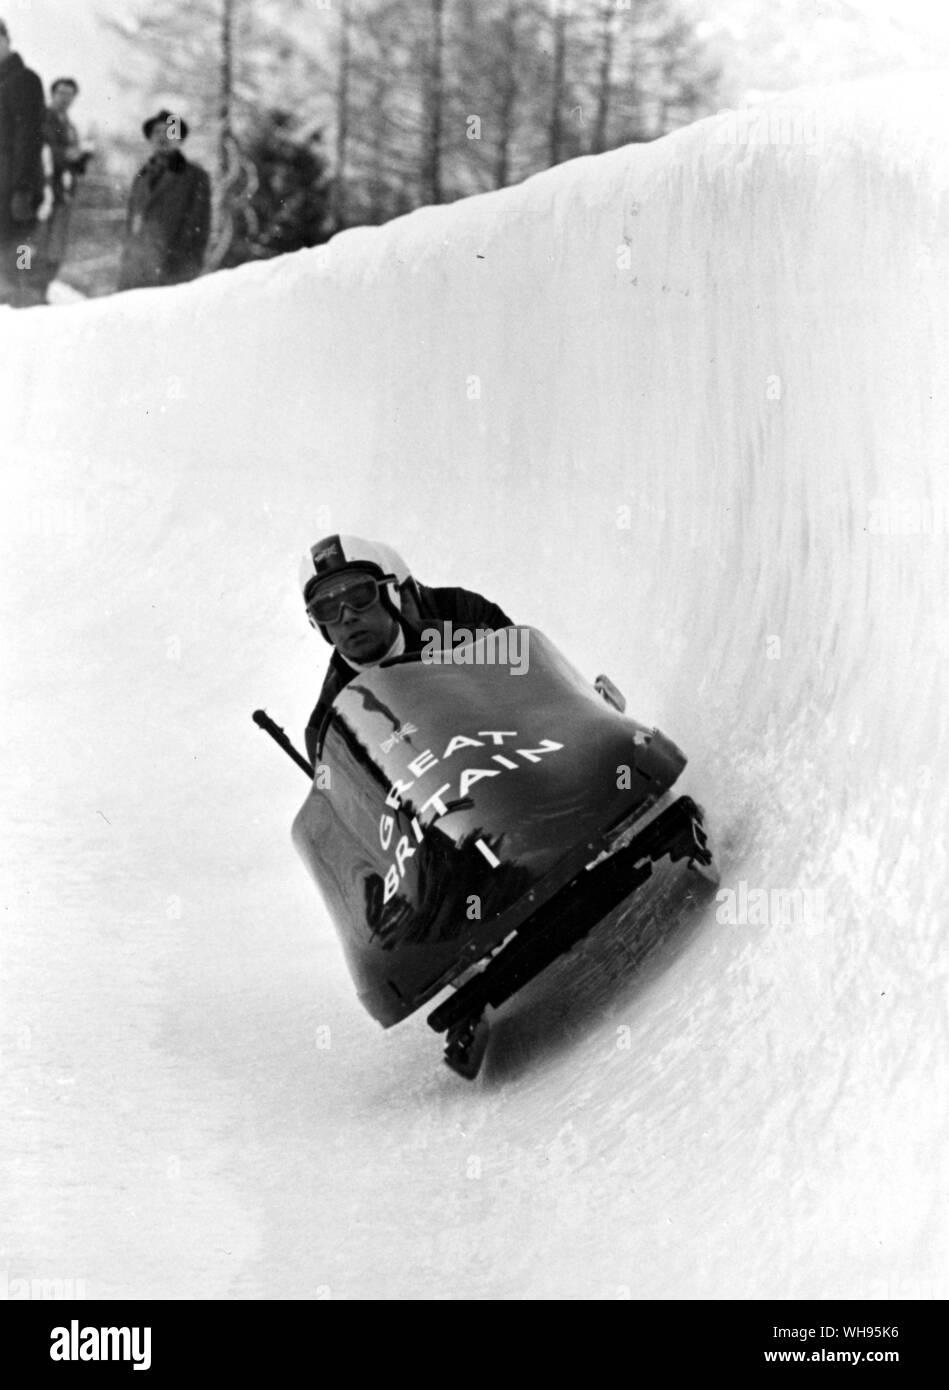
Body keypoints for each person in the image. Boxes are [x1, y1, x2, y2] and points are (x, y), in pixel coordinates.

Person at [301, 534, 513, 764]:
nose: (348, 615)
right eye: (328, 608)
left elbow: (540, 699)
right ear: (317, 624)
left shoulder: (471, 643)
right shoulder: (326, 726)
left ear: (389, 594)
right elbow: (339, 792)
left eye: (360, 595)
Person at [117, 109, 211, 291]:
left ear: (180, 139)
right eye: (157, 132)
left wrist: (185, 268)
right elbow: (131, 227)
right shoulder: (141, 176)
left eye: (170, 131)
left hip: (173, 270)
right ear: (150, 138)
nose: (163, 137)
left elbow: (199, 228)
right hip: (135, 271)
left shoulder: (194, 176)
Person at [0, 18, 45, 308]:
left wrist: (24, 188)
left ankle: (27, 306)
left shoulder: (23, 79)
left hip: (15, 185)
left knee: (20, 250)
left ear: (6, 40)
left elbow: (29, 136)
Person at [33, 76, 91, 298]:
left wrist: (81, 158)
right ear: (52, 94)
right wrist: (67, 154)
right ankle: (26, 289)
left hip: (64, 194)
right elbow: (42, 149)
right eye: (61, 93)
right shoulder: (43, 118)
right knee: (34, 242)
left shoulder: (70, 126)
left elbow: (73, 161)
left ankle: (41, 290)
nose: (65, 98)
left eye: (70, 94)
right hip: (43, 190)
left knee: (55, 246)